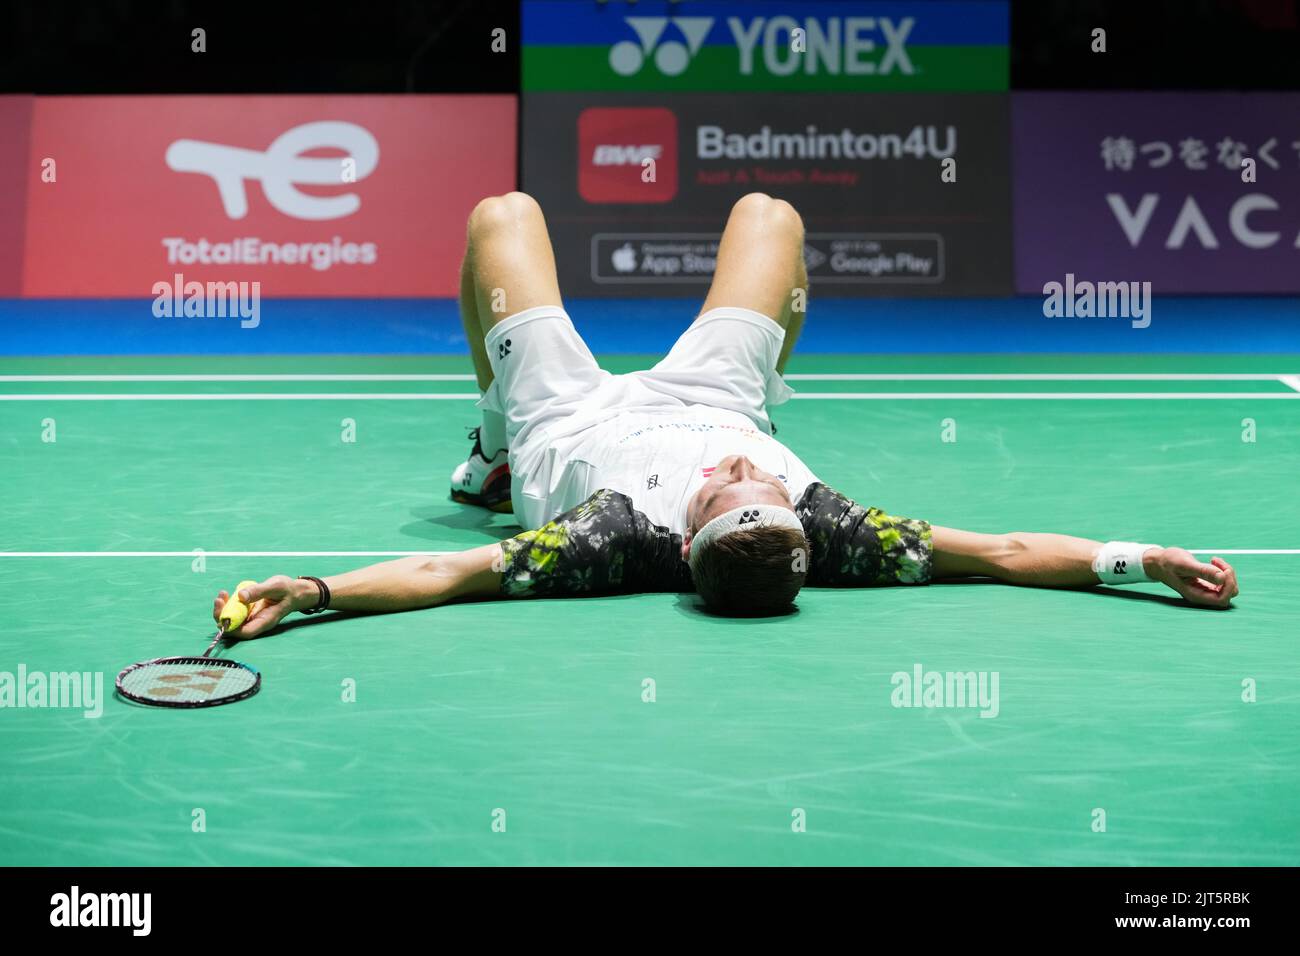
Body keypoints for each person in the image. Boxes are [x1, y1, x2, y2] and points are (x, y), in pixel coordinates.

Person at [212, 192, 1239, 635]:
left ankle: (489, 445)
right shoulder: (836, 531)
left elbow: (443, 570)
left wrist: (308, 589)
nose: (746, 474)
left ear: (693, 527)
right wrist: (1139, 557)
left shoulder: (607, 540)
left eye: (733, 490)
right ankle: (757, 389)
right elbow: (1008, 550)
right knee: (770, 218)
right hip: (714, 396)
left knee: (502, 219)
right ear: (799, 534)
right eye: (765, 487)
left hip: (568, 423)